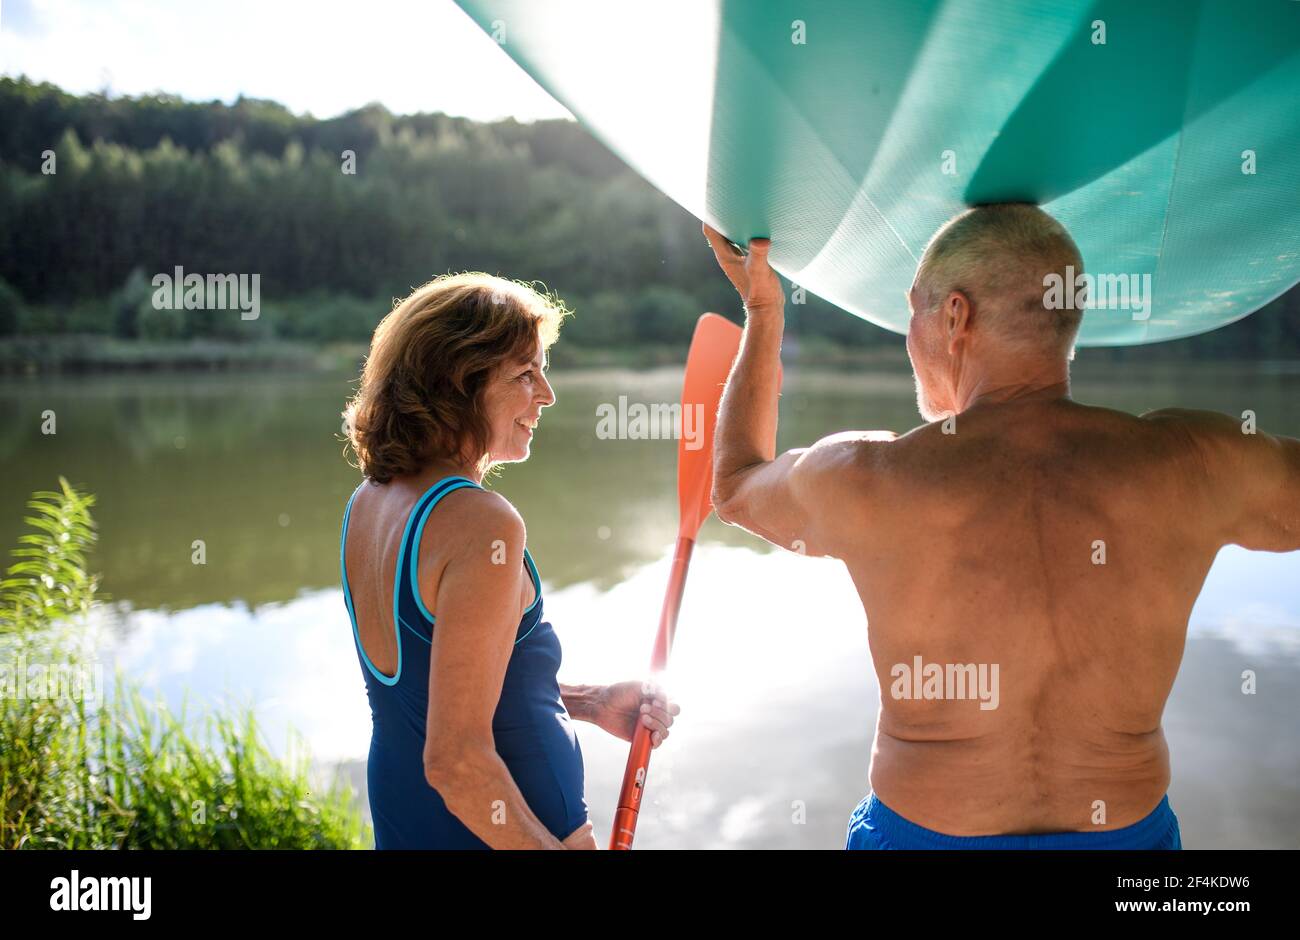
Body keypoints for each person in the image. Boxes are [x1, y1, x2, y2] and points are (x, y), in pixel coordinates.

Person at [704, 204, 1300, 849]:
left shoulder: (865, 475)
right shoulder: (1196, 462)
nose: (909, 338)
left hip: (926, 834)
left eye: (914, 312)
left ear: (955, 316)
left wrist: (763, 314)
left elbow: (735, 485)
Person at [339, 273, 679, 849]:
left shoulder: (371, 500)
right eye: (525, 375)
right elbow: (455, 762)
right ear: (457, 384)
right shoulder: (482, 525)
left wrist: (590, 702)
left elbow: (431, 693)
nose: (546, 394)